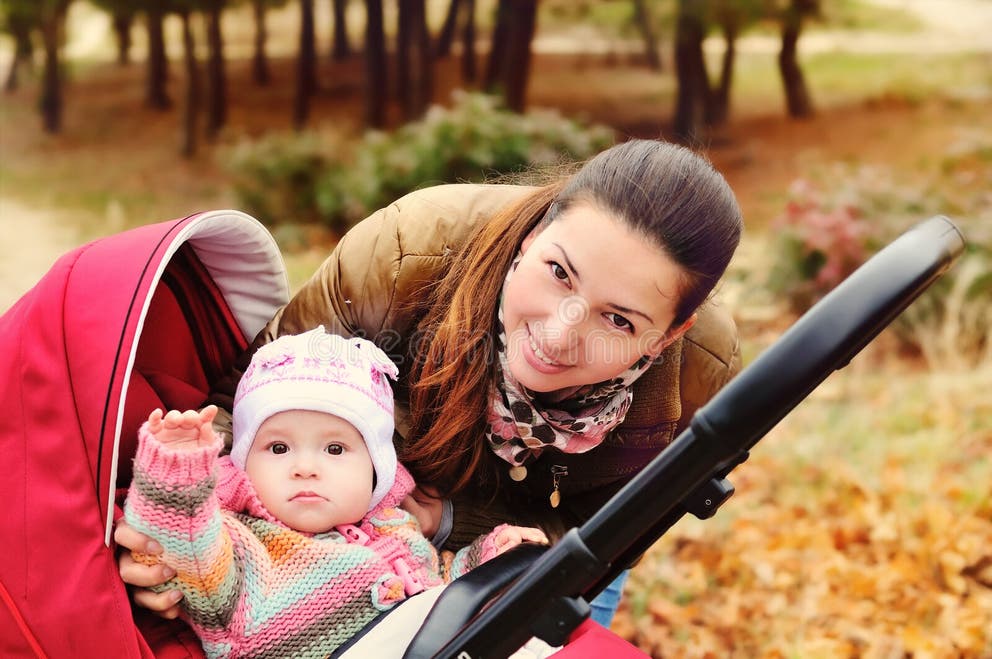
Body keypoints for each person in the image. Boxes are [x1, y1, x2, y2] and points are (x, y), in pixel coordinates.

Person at [116, 138, 744, 629]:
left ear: (666, 335)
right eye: (558, 272)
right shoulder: (407, 253)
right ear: (532, 237)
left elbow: (606, 534)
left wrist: (453, 520)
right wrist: (175, 535)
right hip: (359, 521)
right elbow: (245, 406)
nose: (557, 335)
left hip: (515, 546)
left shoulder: (698, 376)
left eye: (617, 319)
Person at [123, 328, 546, 658]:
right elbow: (184, 551)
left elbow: (442, 585)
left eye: (335, 449)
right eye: (278, 448)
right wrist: (176, 474)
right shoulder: (239, 547)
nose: (305, 467)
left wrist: (487, 559)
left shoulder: (396, 528)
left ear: (375, 470)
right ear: (242, 465)